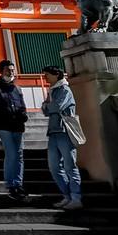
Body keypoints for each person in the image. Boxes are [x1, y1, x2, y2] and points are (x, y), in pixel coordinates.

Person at [0, 59, 28, 202]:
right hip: (3, 125)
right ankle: (11, 184)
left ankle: (18, 183)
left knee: (19, 154)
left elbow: (21, 104)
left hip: (18, 124)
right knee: (11, 154)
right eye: (8, 70)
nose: (11, 72)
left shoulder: (16, 88)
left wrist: (23, 114)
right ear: (1, 71)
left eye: (12, 70)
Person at [41, 65, 82, 210]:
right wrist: (48, 106)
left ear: (55, 74)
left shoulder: (64, 90)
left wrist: (48, 106)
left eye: (47, 75)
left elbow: (54, 107)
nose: (45, 78)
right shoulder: (52, 91)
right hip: (53, 131)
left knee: (70, 165)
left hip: (64, 131)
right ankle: (67, 196)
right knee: (54, 167)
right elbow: (45, 109)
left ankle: (76, 197)